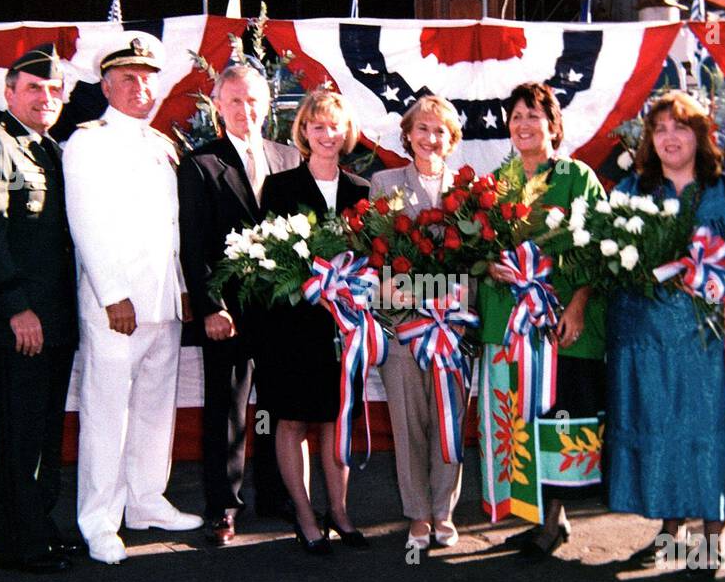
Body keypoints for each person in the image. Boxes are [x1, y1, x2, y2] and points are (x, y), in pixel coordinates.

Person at [606, 92, 725, 577]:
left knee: (708, 432)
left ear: (700, 135)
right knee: (660, 428)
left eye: (680, 128)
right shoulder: (631, 192)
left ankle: (710, 538)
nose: (670, 138)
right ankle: (668, 530)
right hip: (649, 339)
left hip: (710, 341)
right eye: (660, 130)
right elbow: (610, 260)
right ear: (649, 140)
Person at [62, 33, 200, 564]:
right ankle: (99, 520)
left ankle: (145, 500)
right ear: (106, 85)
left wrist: (183, 288)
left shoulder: (160, 144)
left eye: (147, 79)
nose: (140, 88)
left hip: (162, 300)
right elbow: (87, 222)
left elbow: (171, 227)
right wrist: (112, 293)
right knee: (106, 412)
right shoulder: (88, 142)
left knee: (152, 408)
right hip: (115, 304)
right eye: (128, 79)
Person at [0, 45, 80, 574]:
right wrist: (15, 308)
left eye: (54, 91)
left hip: (52, 319)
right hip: (16, 320)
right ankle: (18, 544)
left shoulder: (50, 148)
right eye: (34, 88)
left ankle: (38, 526)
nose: (45, 98)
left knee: (44, 430)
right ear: (8, 93)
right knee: (18, 431)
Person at [478, 81, 606, 555]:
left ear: (553, 124)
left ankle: (554, 521)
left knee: (558, 416)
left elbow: (598, 244)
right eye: (516, 117)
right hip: (511, 325)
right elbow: (480, 246)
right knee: (523, 421)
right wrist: (488, 261)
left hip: (562, 323)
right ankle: (538, 519)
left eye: (534, 115)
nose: (524, 124)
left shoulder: (577, 176)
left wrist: (577, 305)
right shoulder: (497, 181)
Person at [178, 63, 298, 545]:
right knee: (227, 408)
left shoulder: (290, 158)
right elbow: (194, 243)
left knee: (275, 406)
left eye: (253, 101)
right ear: (218, 107)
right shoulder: (202, 163)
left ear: (267, 105)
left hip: (281, 313)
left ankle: (274, 493)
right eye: (234, 102)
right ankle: (223, 505)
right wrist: (210, 307)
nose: (245, 110)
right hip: (227, 313)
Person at [257, 90, 371, 555]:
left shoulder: (362, 191)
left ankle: (339, 512)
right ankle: (305, 516)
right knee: (292, 422)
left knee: (334, 421)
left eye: (335, 126)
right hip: (293, 326)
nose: (327, 135)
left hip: (343, 327)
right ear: (303, 130)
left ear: (347, 133)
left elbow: (372, 260)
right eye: (318, 126)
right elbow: (265, 260)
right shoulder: (280, 187)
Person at [372, 95, 465, 550]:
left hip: (452, 329)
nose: (430, 138)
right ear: (407, 135)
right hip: (402, 325)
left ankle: (444, 511)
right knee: (408, 423)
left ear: (452, 141)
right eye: (422, 129)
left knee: (448, 419)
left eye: (440, 131)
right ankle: (418, 514)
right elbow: (376, 257)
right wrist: (393, 291)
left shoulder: (471, 191)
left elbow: (477, 262)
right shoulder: (384, 183)